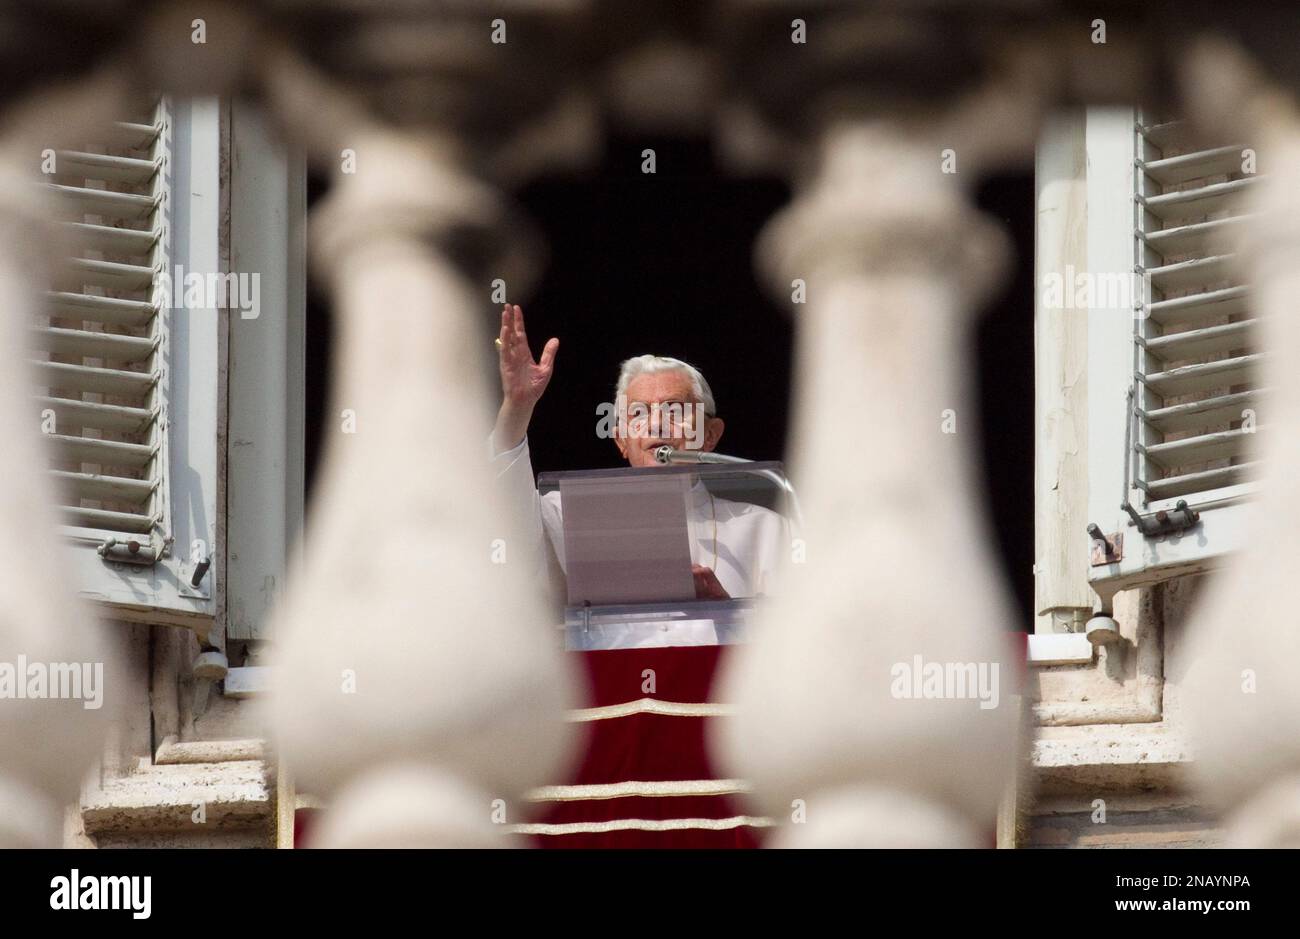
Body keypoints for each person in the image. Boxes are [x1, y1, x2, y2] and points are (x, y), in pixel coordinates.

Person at [488, 304, 789, 604]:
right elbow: (505, 515)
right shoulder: (567, 516)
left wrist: (727, 613)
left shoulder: (765, 530)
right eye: (639, 413)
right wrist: (517, 407)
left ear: (710, 435)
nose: (657, 425)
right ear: (621, 440)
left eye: (675, 409)